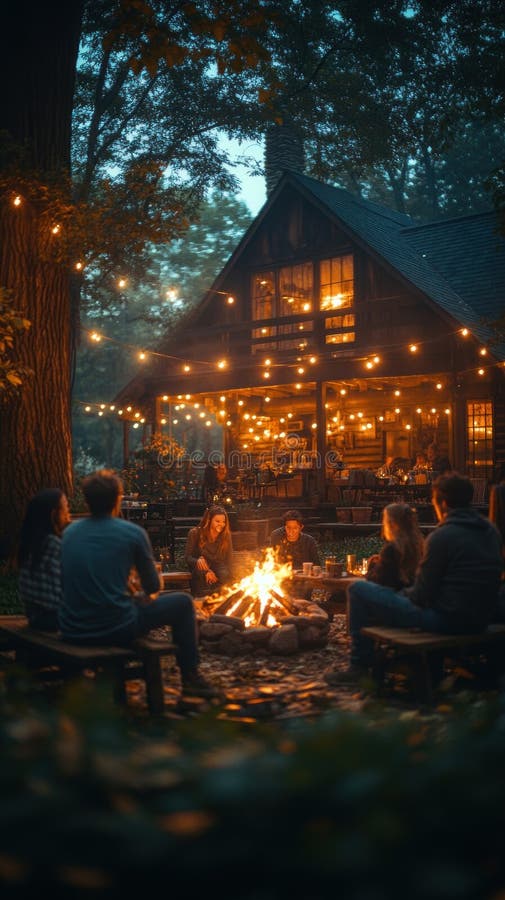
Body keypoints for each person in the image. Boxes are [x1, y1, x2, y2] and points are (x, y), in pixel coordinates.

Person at [325, 473, 504, 684]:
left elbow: (421, 595)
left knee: (358, 589)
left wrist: (394, 596)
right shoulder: (490, 531)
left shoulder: (442, 537)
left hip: (447, 620)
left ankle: (359, 666)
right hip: (481, 618)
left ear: (443, 503)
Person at [59, 469, 215, 697]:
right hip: (114, 627)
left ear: (86, 501)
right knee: (182, 602)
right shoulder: (131, 533)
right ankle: (190, 677)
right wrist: (140, 591)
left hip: (73, 627)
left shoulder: (69, 532)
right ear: (117, 500)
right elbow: (153, 587)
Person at [18, 488, 71, 630]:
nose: (69, 512)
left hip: (34, 616)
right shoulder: (53, 544)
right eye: (66, 507)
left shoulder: (30, 542)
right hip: (54, 619)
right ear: (54, 514)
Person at [365, 502, 425, 591]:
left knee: (355, 587)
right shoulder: (420, 545)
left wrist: (372, 565)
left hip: (396, 593)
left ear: (392, 523)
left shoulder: (392, 549)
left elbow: (377, 580)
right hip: (414, 592)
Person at [185, 505, 234, 597]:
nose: (221, 524)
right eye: (217, 521)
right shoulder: (195, 533)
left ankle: (219, 596)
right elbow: (188, 557)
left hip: (218, 566)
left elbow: (229, 559)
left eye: (223, 522)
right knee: (201, 568)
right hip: (200, 567)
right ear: (209, 520)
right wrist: (204, 569)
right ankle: (201, 597)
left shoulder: (226, 535)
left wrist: (232, 579)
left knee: (224, 573)